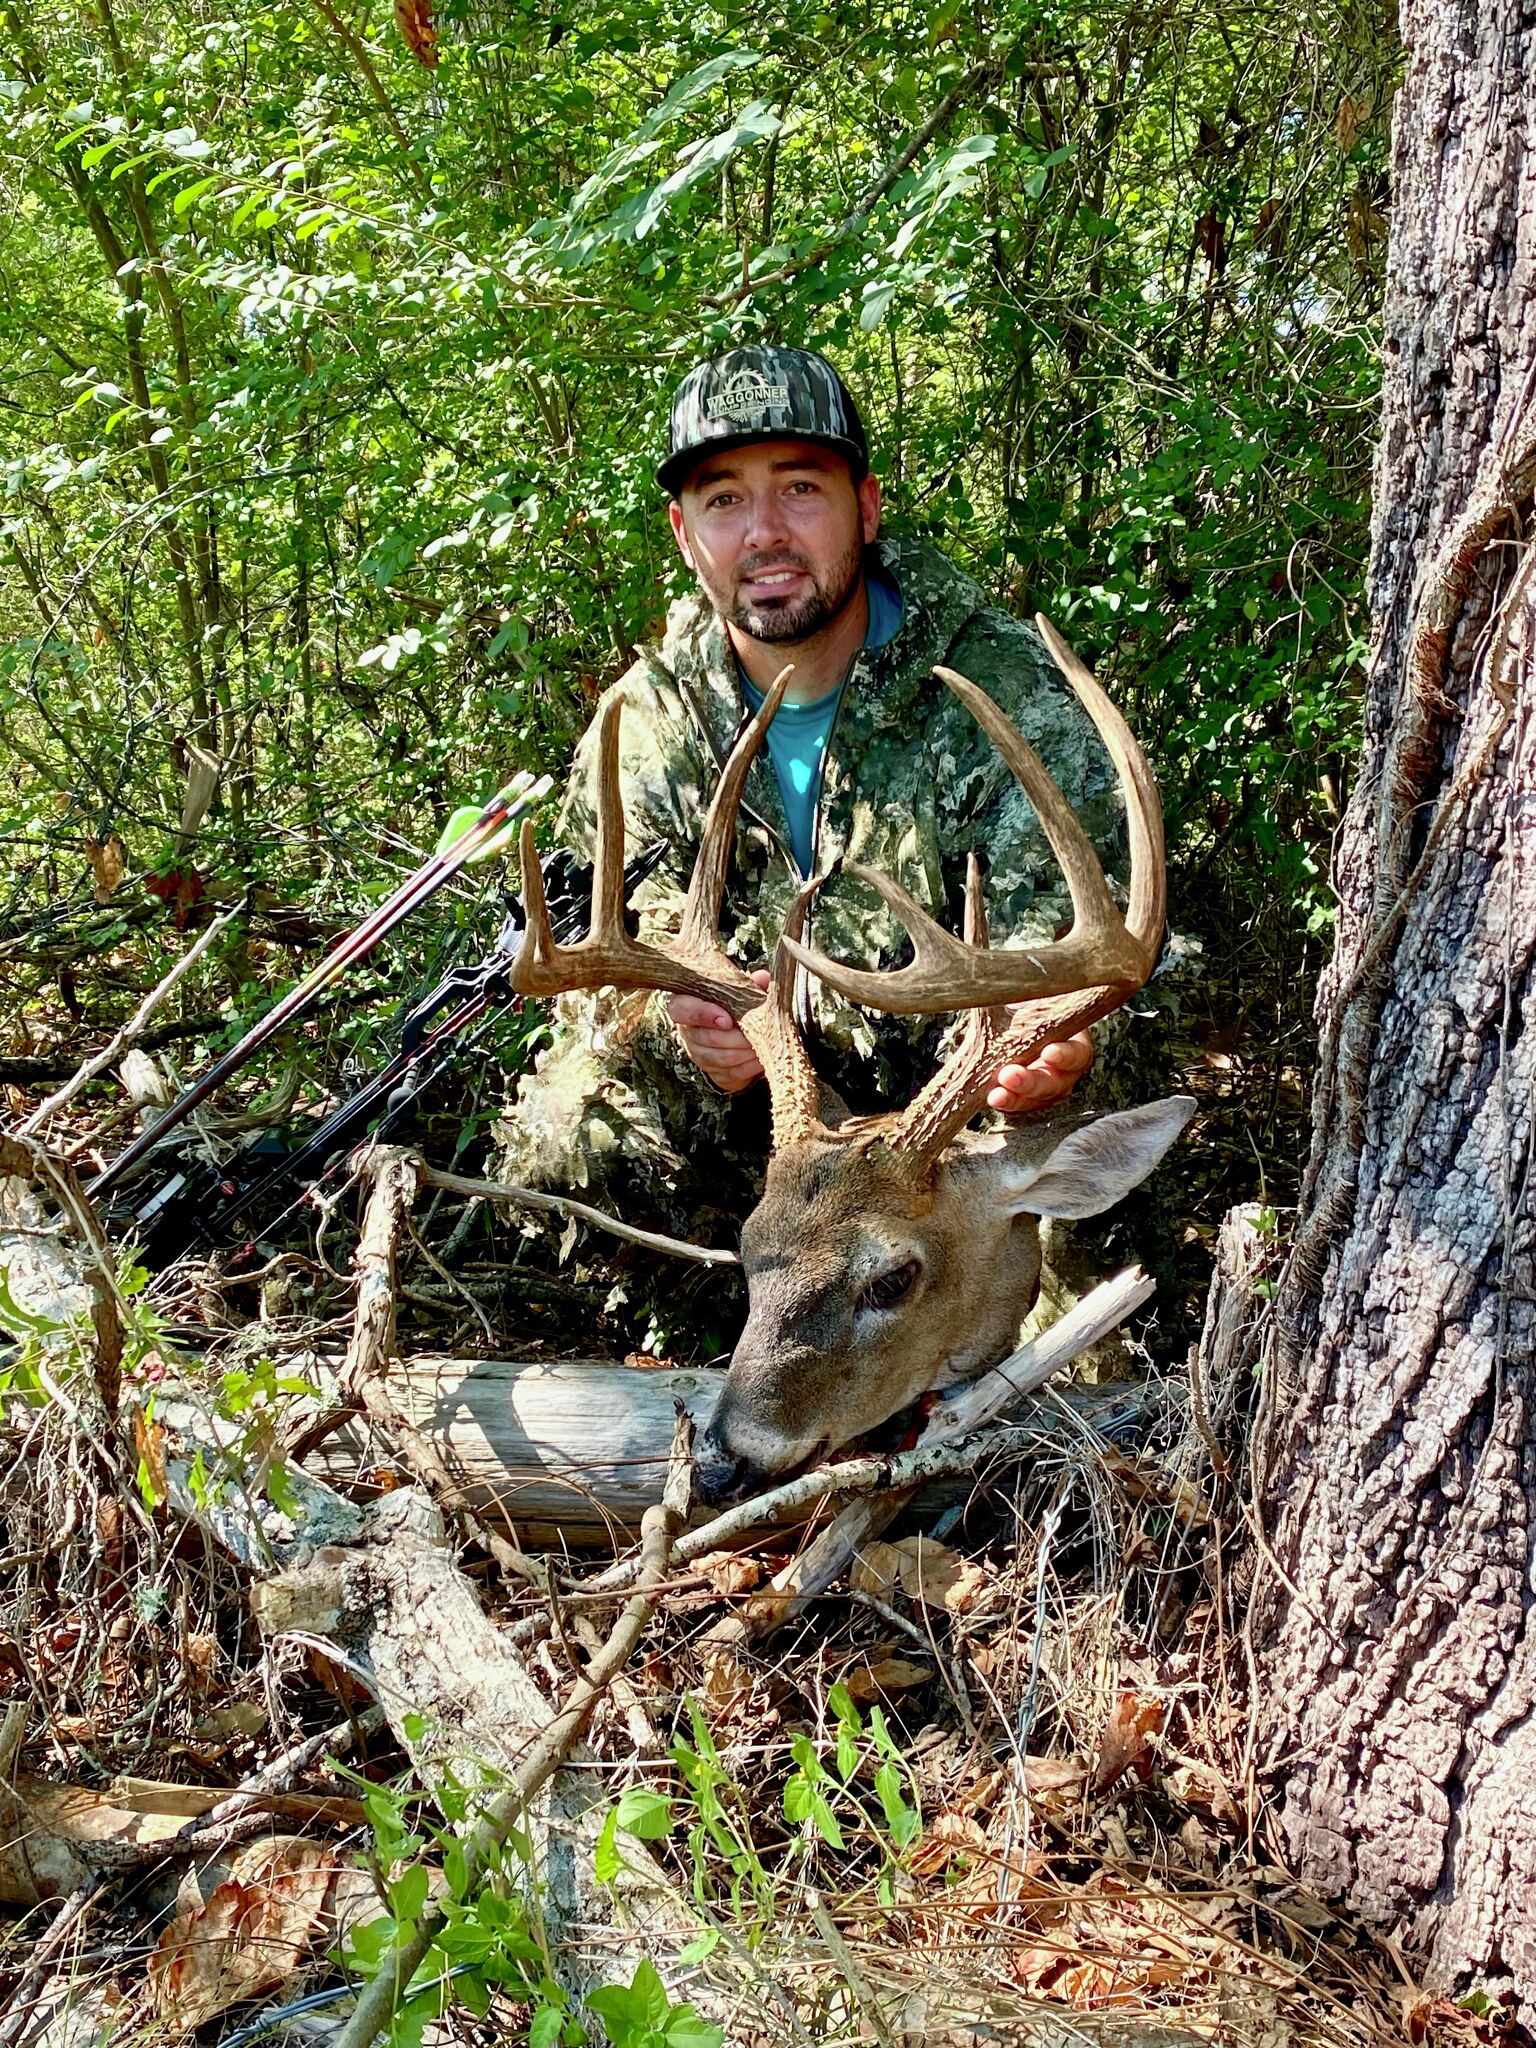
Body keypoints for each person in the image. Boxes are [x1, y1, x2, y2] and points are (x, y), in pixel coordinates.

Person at [496, 347, 1129, 1229]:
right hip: (755, 1123)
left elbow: (1092, 930)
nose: (763, 532)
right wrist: (678, 1028)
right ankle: (691, 1327)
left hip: (948, 1121)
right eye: (724, 500)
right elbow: (610, 974)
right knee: (571, 1131)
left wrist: (1053, 1037)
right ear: (685, 536)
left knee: (1066, 1183)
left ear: (865, 511)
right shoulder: (642, 725)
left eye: (800, 488)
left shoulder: (1002, 688)